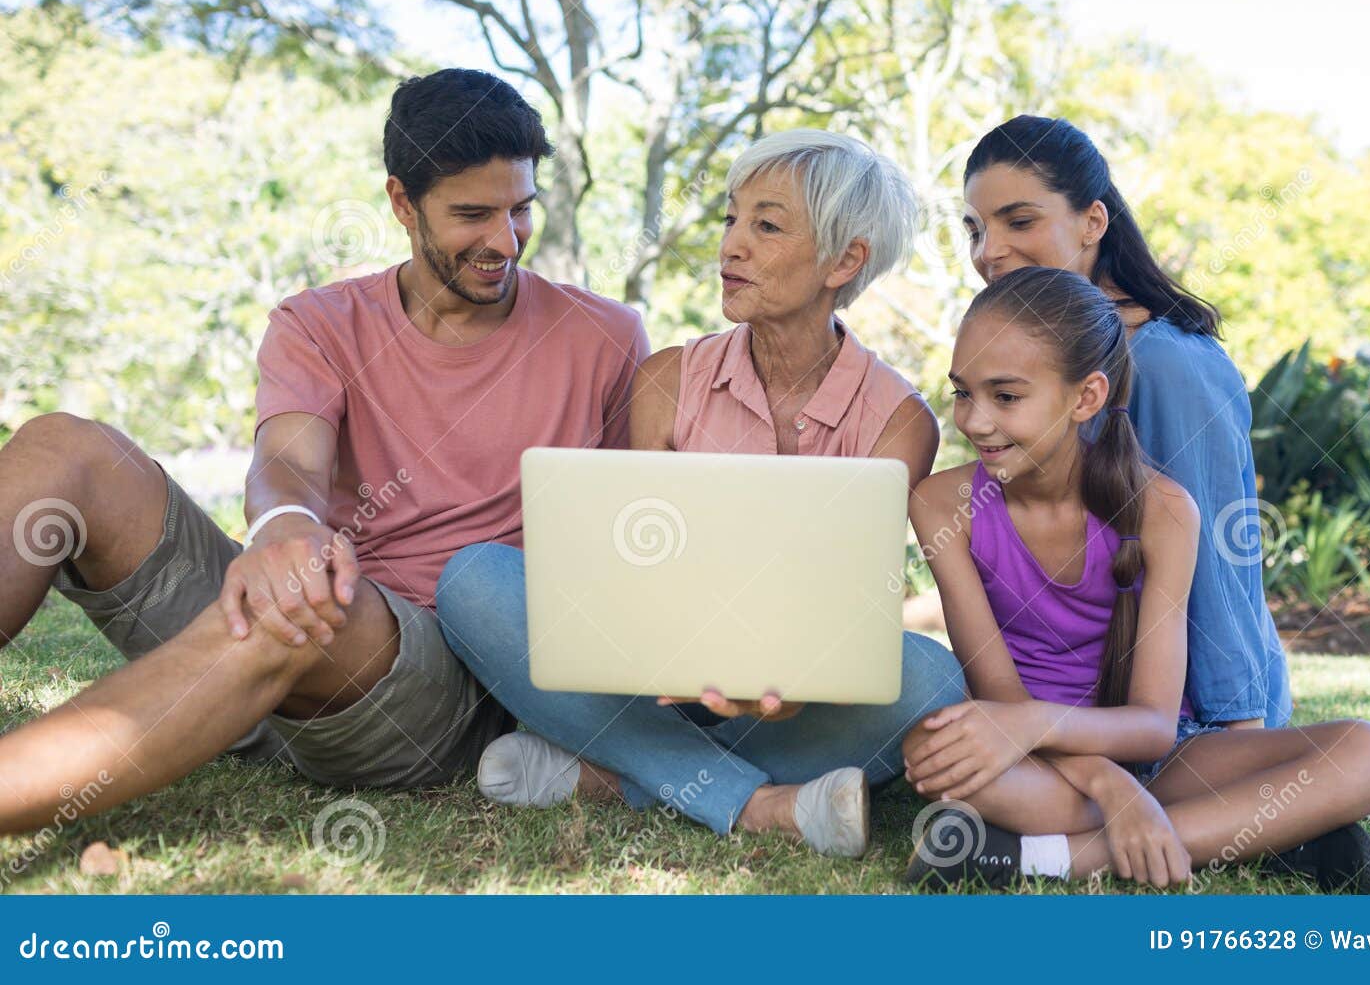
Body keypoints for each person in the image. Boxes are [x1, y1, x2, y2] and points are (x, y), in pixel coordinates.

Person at [0, 69, 648, 833]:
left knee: (306, 602)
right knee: (62, 447)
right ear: (402, 202)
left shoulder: (605, 336)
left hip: (430, 688)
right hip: (282, 643)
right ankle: (237, 678)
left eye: (521, 210)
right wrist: (285, 523)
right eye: (472, 214)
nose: (504, 242)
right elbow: (289, 458)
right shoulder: (320, 322)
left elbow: (626, 541)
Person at [436, 130, 968, 858]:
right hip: (647, 675)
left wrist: (794, 677)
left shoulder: (901, 422)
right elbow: (627, 566)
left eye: (767, 224)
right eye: (730, 218)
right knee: (472, 579)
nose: (732, 245)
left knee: (933, 679)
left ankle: (619, 774)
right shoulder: (665, 379)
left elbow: (849, 612)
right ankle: (763, 803)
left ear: (844, 260)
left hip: (793, 699)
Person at [901, 267, 1370, 892]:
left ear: (1086, 397)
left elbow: (1153, 726)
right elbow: (1001, 701)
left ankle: (1046, 860)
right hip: (1038, 764)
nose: (974, 421)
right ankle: (1260, 834)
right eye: (962, 392)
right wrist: (1110, 786)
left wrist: (1130, 787)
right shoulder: (944, 506)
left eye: (1005, 397)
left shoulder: (1164, 511)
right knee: (940, 761)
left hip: (1164, 759)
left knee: (1369, 753)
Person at [960, 115, 1291, 731]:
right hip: (1076, 702)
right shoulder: (1032, 363)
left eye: (1019, 221)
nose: (988, 250)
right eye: (975, 229)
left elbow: (1221, 551)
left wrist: (1237, 729)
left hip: (1192, 712)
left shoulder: (1165, 361)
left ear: (1093, 221)